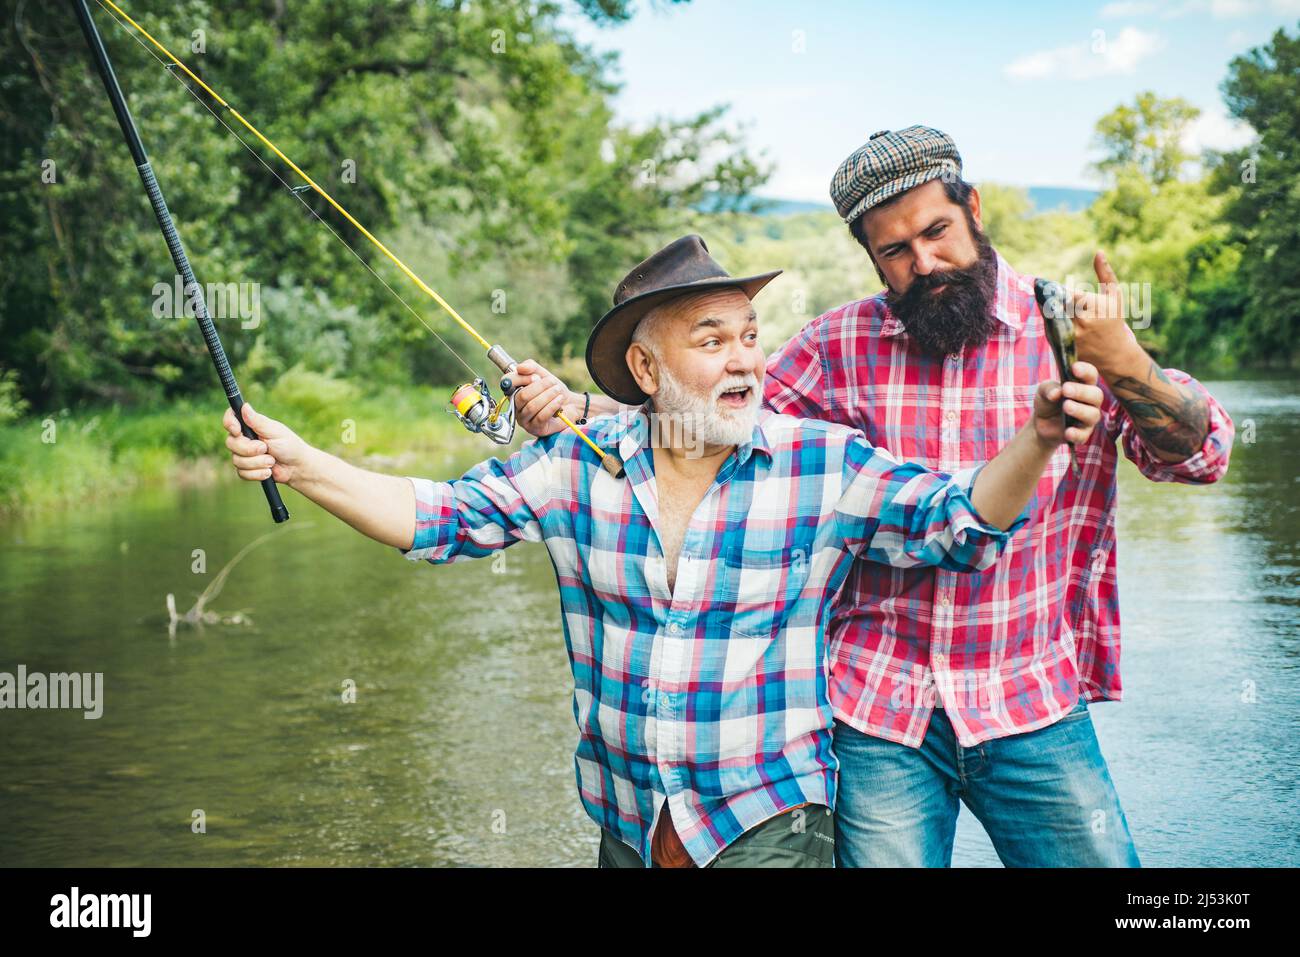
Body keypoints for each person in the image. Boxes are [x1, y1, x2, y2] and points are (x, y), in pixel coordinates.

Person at [223, 234, 1106, 867]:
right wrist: (302, 463)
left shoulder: (819, 462)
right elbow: (436, 518)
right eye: (711, 340)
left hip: (773, 823)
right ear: (646, 372)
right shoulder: (572, 464)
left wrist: (1036, 439)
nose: (745, 361)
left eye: (750, 336)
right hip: (629, 825)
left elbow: (961, 521)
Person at [513, 128, 1234, 867]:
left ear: (974, 210)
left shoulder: (1070, 330)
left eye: (937, 231)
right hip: (876, 708)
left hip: (1031, 696)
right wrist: (576, 408)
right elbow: (705, 424)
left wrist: (1126, 361)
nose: (924, 262)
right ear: (870, 257)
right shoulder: (836, 345)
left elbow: (1201, 456)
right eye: (895, 250)